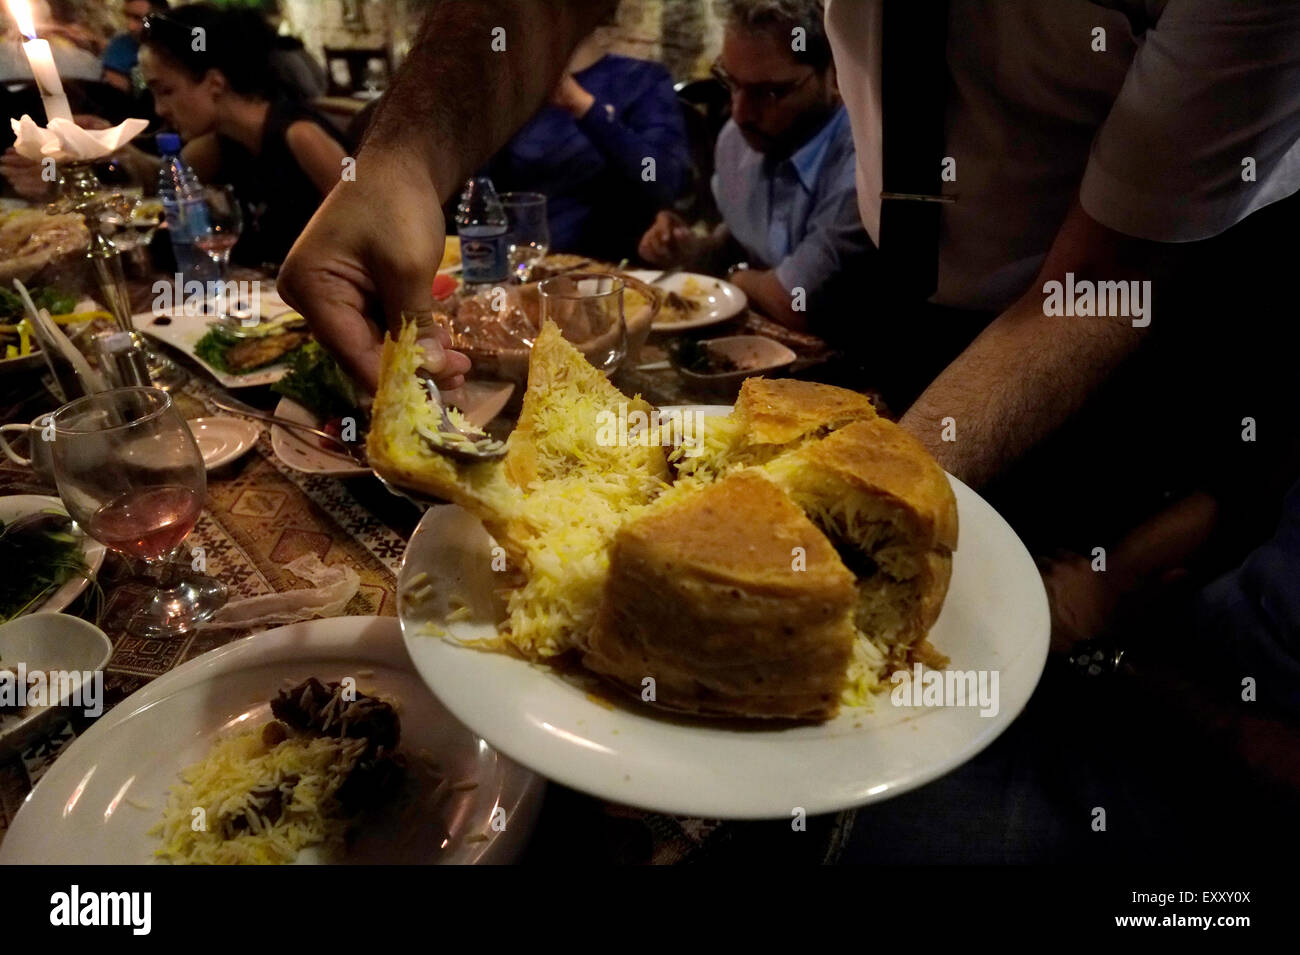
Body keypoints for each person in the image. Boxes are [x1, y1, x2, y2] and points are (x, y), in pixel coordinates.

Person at [638, 0, 870, 333]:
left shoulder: (862, 165)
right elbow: (741, 236)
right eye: (731, 82)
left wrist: (737, 276)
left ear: (832, 73)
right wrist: (686, 246)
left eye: (771, 92)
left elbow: (797, 303)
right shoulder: (738, 142)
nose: (739, 113)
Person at [128, 3, 349, 268]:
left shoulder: (301, 136)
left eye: (165, 91)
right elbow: (165, 186)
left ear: (215, 83)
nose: (159, 109)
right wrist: (114, 150)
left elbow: (368, 226)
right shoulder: (218, 144)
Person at [474, 17, 689, 261]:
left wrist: (583, 106)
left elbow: (664, 182)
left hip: (613, 276)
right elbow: (480, 197)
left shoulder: (642, 80)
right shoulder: (513, 88)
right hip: (521, 270)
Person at [101, 0, 169, 94]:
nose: (130, 27)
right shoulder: (121, 46)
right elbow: (116, 98)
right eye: (127, 16)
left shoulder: (176, 48)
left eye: (138, 18)